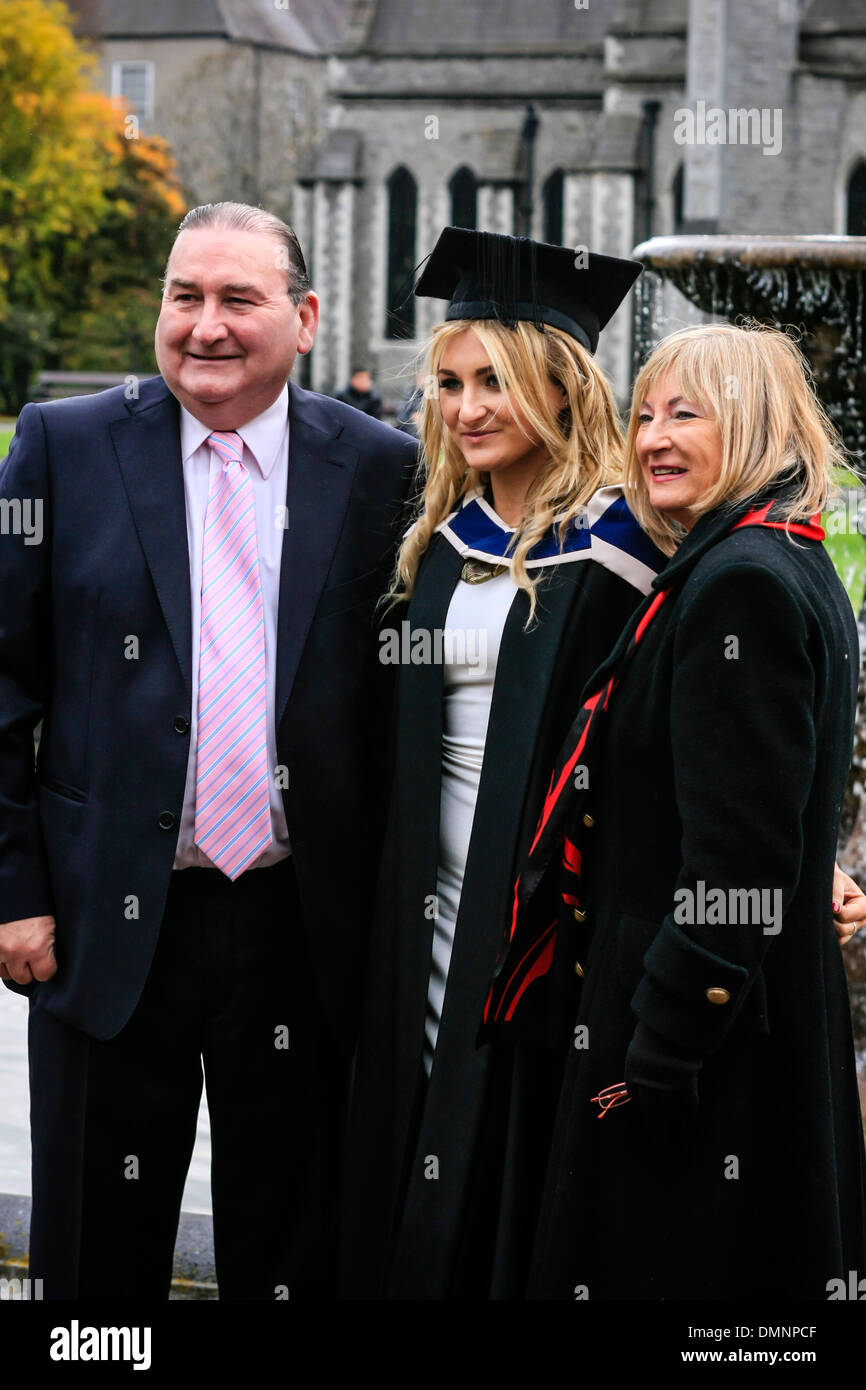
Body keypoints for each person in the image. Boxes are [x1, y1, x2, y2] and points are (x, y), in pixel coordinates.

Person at [0, 201, 417, 1300]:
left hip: (300, 926)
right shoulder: (64, 447)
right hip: (103, 918)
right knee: (96, 1252)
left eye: (239, 298)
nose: (205, 325)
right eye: (184, 296)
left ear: (304, 318)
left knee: (296, 1246)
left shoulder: (383, 469)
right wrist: (13, 890)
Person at [489, 322, 866, 1300]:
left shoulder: (738, 583)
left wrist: (660, 1045)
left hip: (700, 1037)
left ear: (754, 424)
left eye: (684, 414)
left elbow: (737, 861)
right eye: (645, 414)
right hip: (743, 1015)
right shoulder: (773, 557)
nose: (651, 437)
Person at [338, 226, 668, 1299]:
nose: (466, 408)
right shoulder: (440, 537)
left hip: (538, 917)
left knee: (506, 1150)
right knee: (414, 1117)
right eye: (448, 384)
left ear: (561, 389)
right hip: (423, 906)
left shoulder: (625, 550)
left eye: (494, 382)